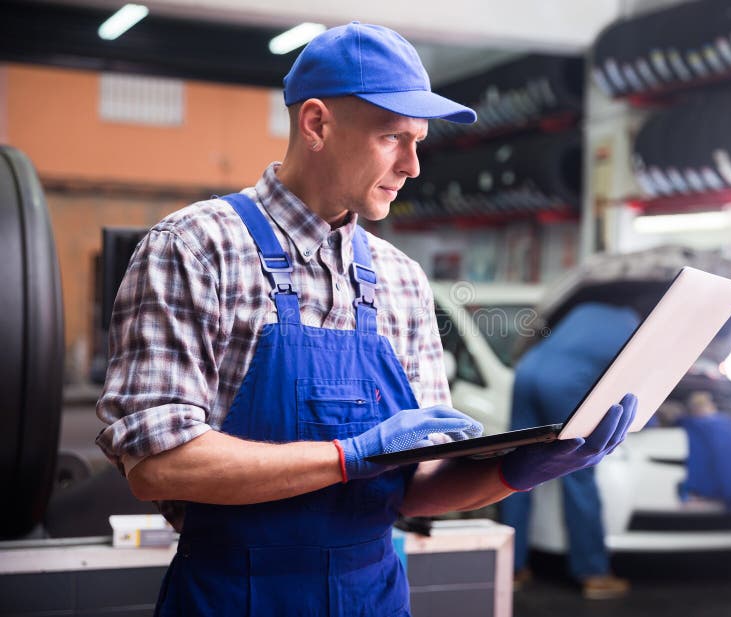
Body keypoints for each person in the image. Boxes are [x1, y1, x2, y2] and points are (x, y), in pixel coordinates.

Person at [96, 22, 639, 616]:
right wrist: (348, 457)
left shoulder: (401, 280)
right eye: (392, 138)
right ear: (316, 124)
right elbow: (158, 466)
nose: (413, 166)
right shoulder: (196, 248)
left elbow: (417, 486)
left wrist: (520, 469)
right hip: (236, 596)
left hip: (372, 596)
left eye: (419, 141)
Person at [501, 302, 640, 600]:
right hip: (564, 380)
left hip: (528, 370)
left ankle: (510, 568)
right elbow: (634, 386)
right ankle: (593, 573)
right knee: (579, 469)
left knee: (516, 466)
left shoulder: (585, 310)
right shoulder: (634, 325)